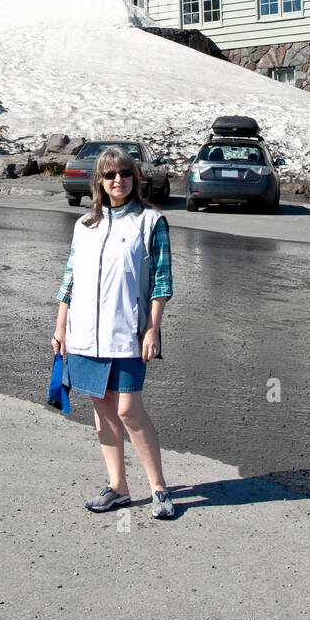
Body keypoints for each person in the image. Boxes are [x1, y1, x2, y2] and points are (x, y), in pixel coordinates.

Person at [52, 145, 175, 519]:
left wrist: (153, 329)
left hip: (129, 333)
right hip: (85, 333)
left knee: (128, 409)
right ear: (99, 182)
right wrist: (60, 328)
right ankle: (118, 487)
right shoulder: (85, 225)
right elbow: (69, 280)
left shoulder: (151, 222)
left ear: (135, 178)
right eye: (109, 175)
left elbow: (161, 282)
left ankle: (158, 489)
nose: (117, 180)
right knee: (102, 408)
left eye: (124, 173)